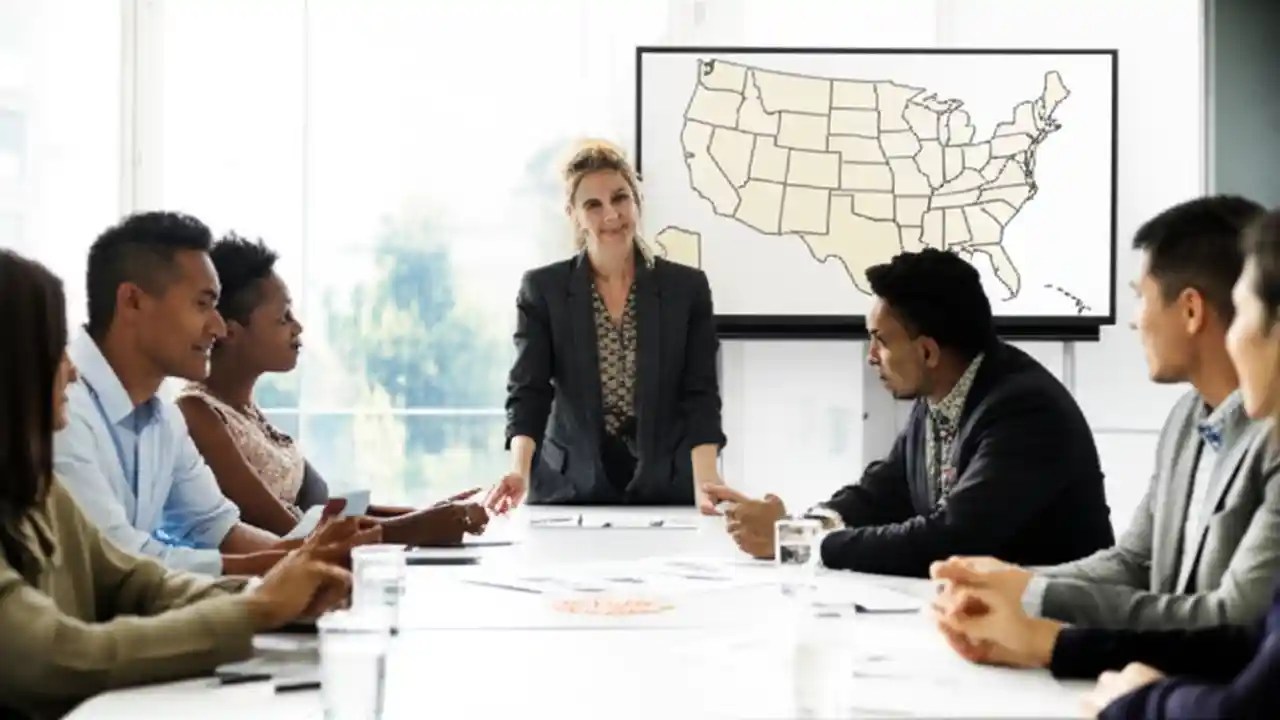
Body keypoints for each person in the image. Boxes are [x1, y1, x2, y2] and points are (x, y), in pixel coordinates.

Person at [932, 208, 1280, 719]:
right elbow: (1135, 561)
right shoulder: (1187, 416)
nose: (1135, 318)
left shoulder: (1270, 442)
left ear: (1189, 311)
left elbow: (1236, 624)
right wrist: (1016, 584)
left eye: (1140, 297)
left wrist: (1036, 603)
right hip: (1163, 678)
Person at [0, 249, 356, 720]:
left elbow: (138, 582)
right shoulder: (83, 433)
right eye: (52, 352)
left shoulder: (40, 492)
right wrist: (259, 610)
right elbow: (56, 658)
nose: (71, 369)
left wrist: (272, 600)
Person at [706, 248, 1114, 577]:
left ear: (927, 351)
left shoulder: (1024, 411)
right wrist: (805, 525)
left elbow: (952, 538)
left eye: (880, 341)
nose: (871, 357)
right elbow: (886, 489)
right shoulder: (941, 392)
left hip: (1054, 629)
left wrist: (803, 541)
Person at [53, 211, 376, 577]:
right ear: (133, 301)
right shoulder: (62, 410)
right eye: (203, 304)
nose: (218, 327)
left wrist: (316, 561)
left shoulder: (163, 419)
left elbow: (219, 528)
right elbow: (118, 560)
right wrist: (293, 563)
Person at [176, 233, 488, 544]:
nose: (298, 327)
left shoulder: (245, 411)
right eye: (283, 317)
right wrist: (421, 525)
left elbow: (327, 513)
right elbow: (295, 535)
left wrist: (433, 512)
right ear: (231, 331)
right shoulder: (197, 414)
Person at [490, 139, 726, 509]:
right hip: (568, 489)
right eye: (593, 205)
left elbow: (700, 395)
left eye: (620, 198)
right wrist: (519, 470)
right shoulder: (543, 290)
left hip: (665, 486)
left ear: (636, 200)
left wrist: (707, 481)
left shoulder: (687, 289)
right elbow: (529, 391)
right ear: (574, 214)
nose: (611, 215)